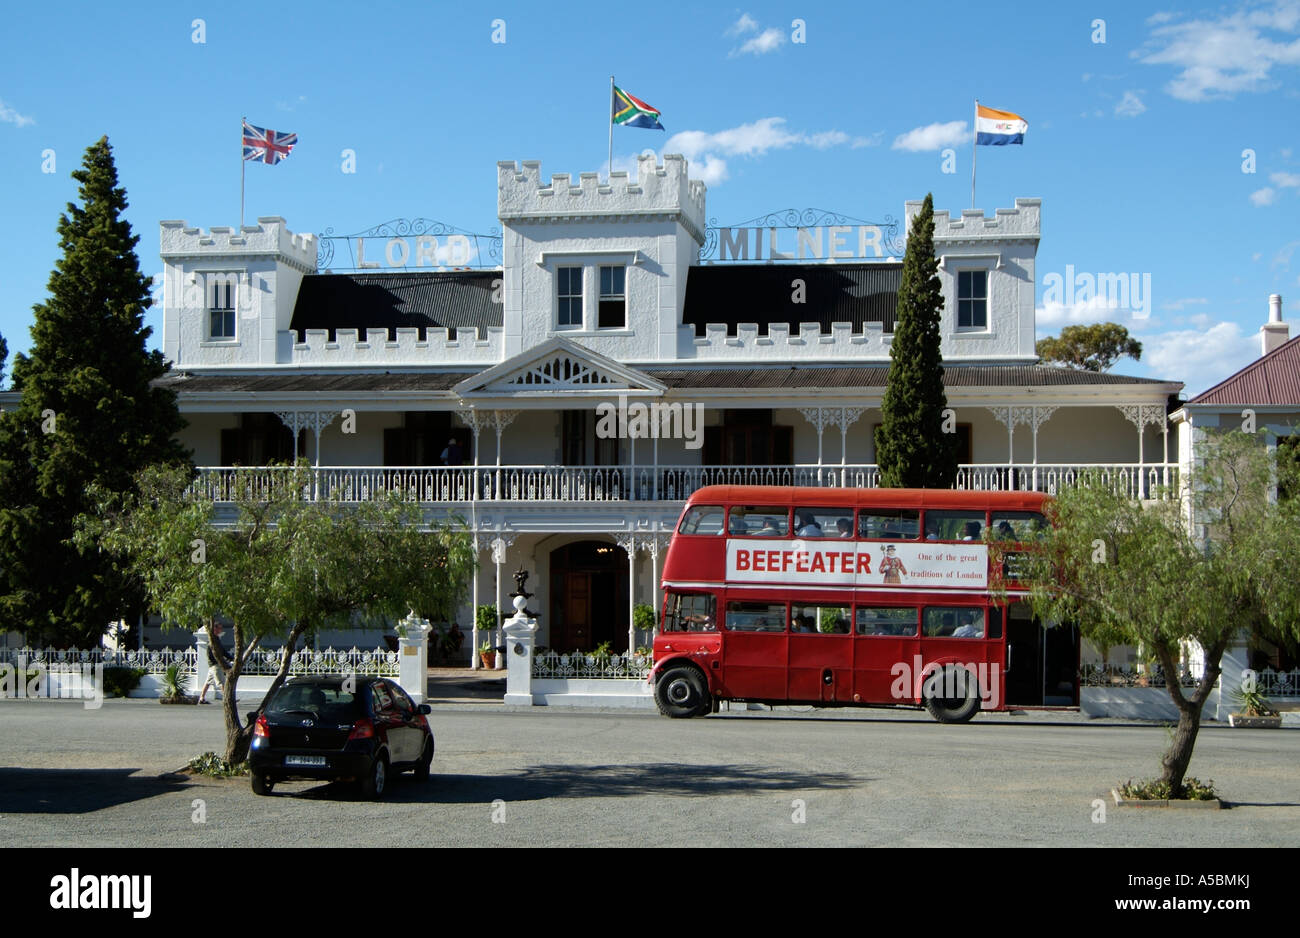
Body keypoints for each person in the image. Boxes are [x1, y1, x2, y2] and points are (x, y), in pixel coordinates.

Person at [197, 623, 231, 704]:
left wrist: (230, 657)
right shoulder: (213, 640)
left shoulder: (216, 639)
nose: (221, 630)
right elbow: (211, 653)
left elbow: (222, 651)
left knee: (208, 682)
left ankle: (201, 698)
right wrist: (217, 661)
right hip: (215, 665)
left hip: (213, 665)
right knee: (221, 682)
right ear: (215, 629)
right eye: (219, 628)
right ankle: (228, 699)